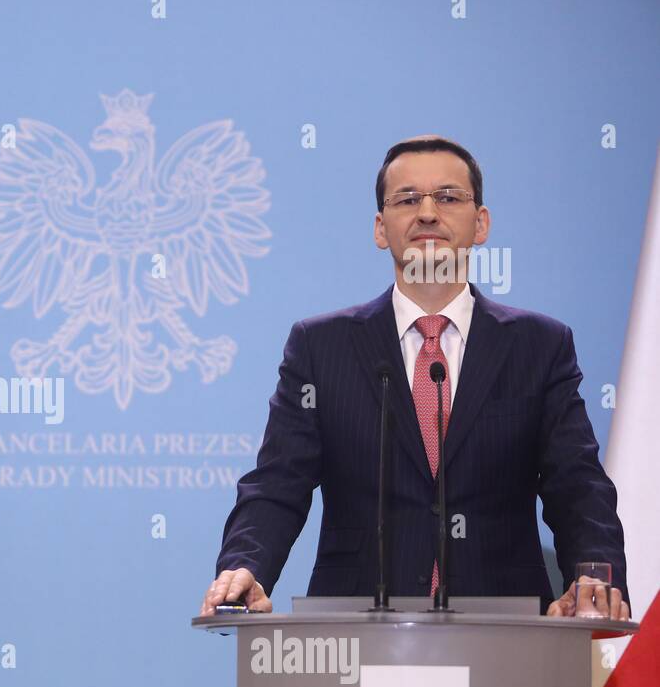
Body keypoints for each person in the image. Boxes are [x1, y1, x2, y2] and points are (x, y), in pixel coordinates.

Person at [201, 136, 629, 620]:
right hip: (354, 628)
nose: (427, 213)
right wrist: (245, 567)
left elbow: (577, 485)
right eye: (407, 200)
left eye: (447, 197)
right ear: (382, 229)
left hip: (506, 629)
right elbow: (278, 484)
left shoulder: (539, 345)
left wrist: (596, 575)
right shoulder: (321, 347)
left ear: (481, 223)